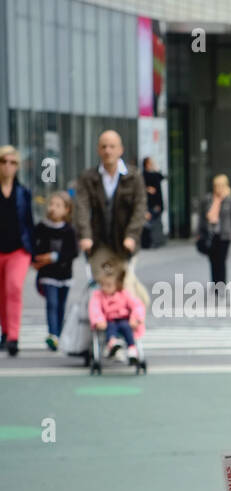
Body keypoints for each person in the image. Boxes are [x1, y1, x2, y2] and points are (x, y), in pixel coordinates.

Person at [72, 130, 149, 310]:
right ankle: (107, 330)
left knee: (124, 287)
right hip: (99, 243)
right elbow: (81, 207)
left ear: (120, 150)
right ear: (98, 150)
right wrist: (85, 235)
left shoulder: (134, 176)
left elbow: (140, 208)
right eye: (104, 146)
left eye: (112, 146)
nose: (108, 151)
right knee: (104, 285)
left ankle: (129, 327)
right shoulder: (88, 177)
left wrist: (131, 236)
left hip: (124, 243)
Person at [32, 191, 79, 350]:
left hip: (65, 275)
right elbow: (34, 246)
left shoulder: (69, 230)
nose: (53, 208)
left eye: (58, 205)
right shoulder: (41, 227)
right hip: (47, 274)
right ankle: (52, 334)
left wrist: (54, 257)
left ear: (67, 209)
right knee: (51, 303)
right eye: (51, 204)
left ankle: (58, 333)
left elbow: (73, 252)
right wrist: (35, 260)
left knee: (61, 305)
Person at [0, 145, 35, 356]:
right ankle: (4, 331)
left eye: (12, 162)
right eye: (3, 161)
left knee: (13, 288)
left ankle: (13, 336)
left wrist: (35, 251)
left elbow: (29, 223)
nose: (7, 166)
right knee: (1, 294)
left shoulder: (23, 192)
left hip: (19, 250)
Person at [87, 260, 144, 365]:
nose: (105, 288)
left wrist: (135, 318)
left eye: (108, 285)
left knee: (127, 328)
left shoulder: (124, 294)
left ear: (117, 285)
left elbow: (137, 305)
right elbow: (95, 309)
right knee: (111, 327)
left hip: (124, 319)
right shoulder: (98, 296)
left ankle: (132, 350)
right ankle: (112, 344)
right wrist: (99, 320)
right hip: (108, 320)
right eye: (103, 285)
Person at [198, 174, 231, 284]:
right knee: (213, 261)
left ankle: (221, 285)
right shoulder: (208, 199)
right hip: (211, 234)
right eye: (216, 185)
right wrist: (200, 233)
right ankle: (214, 283)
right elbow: (202, 217)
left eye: (221, 185)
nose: (218, 188)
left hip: (225, 235)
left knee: (221, 261)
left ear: (226, 186)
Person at [141, 156, 165, 248]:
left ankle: (156, 241)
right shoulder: (143, 175)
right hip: (149, 204)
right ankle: (148, 242)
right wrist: (147, 189)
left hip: (156, 204)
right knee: (148, 224)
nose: (152, 165)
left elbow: (161, 177)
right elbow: (140, 189)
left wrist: (156, 169)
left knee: (155, 223)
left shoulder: (154, 174)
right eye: (150, 163)